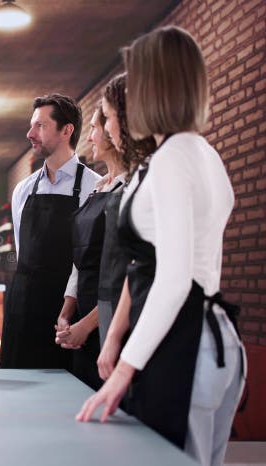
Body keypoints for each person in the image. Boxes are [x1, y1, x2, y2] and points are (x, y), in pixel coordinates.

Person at [76, 26, 245, 466]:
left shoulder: (171, 160)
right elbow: (156, 264)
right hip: (218, 341)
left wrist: (125, 369)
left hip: (183, 345)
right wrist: (115, 339)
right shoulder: (204, 153)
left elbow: (172, 279)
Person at [55, 74, 156, 391]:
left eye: (98, 127)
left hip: (112, 318)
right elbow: (80, 262)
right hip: (85, 313)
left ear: (117, 131)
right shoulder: (99, 188)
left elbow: (127, 271)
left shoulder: (133, 187)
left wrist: (87, 325)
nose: (92, 138)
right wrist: (67, 313)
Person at [0, 94, 101, 370]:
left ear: (67, 130)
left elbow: (90, 261)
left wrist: (69, 310)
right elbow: (23, 253)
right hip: (22, 309)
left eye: (40, 126)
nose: (30, 133)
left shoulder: (95, 187)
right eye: (32, 125)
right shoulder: (23, 190)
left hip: (66, 315)